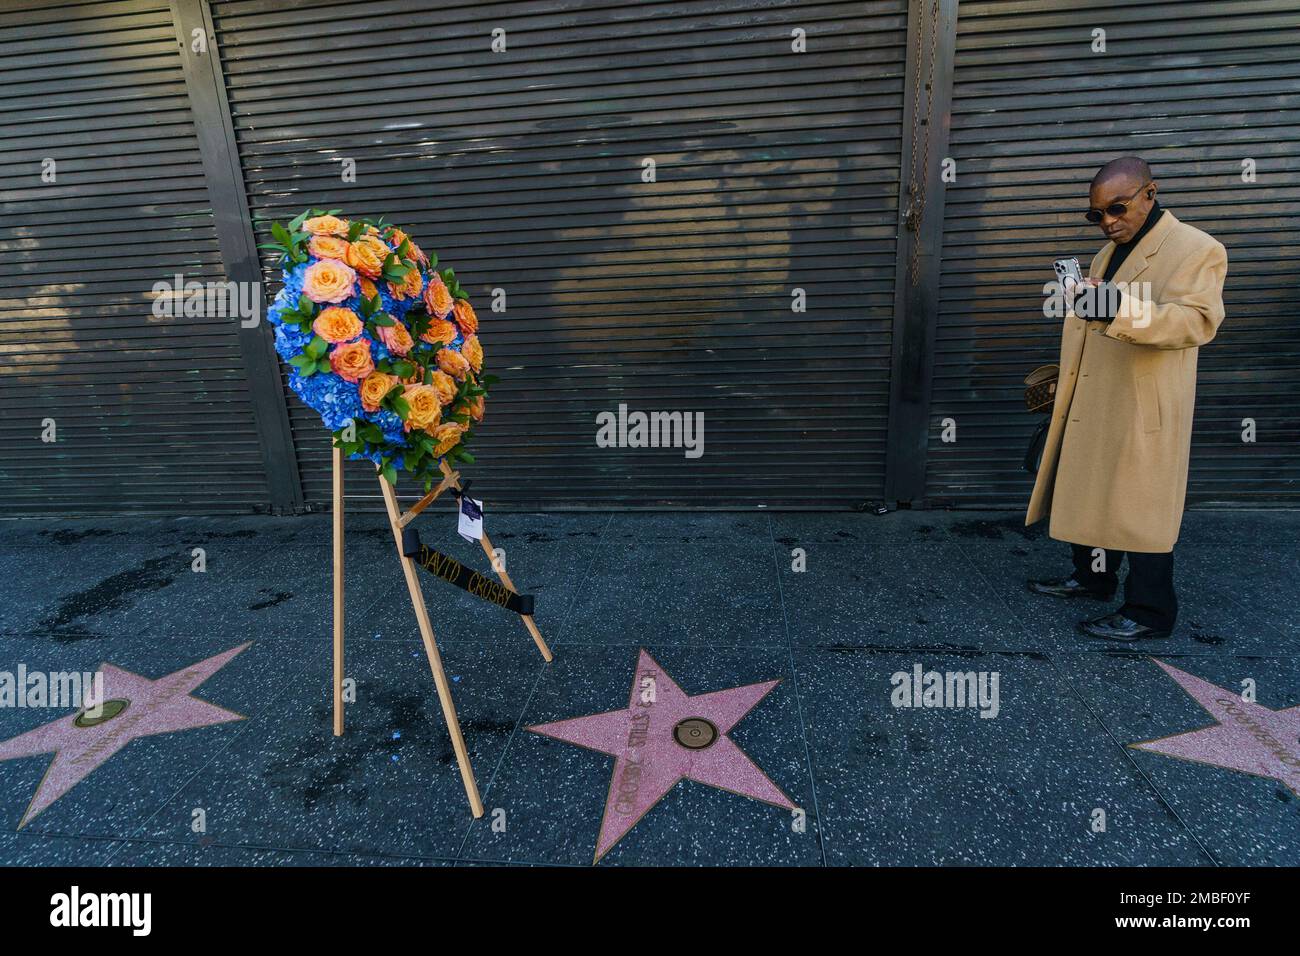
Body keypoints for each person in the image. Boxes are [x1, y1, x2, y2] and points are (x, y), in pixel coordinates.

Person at [1025, 156, 1227, 641]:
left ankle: (1150, 611)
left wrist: (1116, 305)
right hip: (1094, 393)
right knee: (1092, 488)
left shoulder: (1197, 248)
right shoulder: (1106, 253)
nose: (1108, 223)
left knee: (1141, 509)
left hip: (1143, 406)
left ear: (1149, 194)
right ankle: (1093, 578)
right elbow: (1096, 319)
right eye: (1096, 215)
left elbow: (1196, 322)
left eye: (1117, 209)